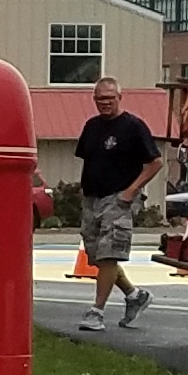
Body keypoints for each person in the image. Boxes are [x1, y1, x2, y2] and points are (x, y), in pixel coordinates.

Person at [73, 78, 165, 331]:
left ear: (119, 98)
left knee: (109, 252)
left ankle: (97, 312)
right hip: (93, 198)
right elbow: (87, 160)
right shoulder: (91, 127)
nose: (105, 103)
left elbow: (155, 163)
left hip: (119, 197)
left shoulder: (133, 127)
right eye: (100, 99)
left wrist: (131, 191)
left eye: (110, 99)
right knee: (99, 257)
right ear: (94, 99)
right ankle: (135, 295)